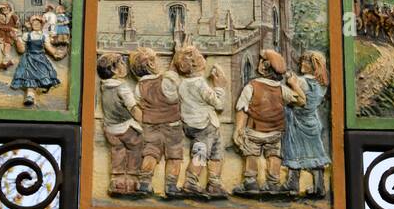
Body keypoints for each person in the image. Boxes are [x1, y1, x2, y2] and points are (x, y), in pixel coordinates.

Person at [232, 49, 306, 196]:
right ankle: (273, 183)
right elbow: (301, 100)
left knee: (251, 153)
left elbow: (242, 108)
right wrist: (294, 84)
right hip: (275, 132)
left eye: (260, 60)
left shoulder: (251, 86)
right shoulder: (281, 89)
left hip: (254, 131)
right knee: (274, 155)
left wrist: (239, 128)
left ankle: (250, 182)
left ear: (263, 66)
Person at [173, 46, 228, 200]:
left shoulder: (182, 84)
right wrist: (220, 87)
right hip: (206, 125)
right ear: (196, 64)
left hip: (192, 124)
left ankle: (214, 183)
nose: (204, 58)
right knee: (205, 153)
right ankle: (193, 182)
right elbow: (219, 104)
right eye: (201, 56)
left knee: (212, 152)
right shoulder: (200, 83)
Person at [129, 47, 183, 199]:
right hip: (172, 126)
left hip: (150, 127)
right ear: (152, 65)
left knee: (150, 153)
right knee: (174, 156)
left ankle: (145, 182)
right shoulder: (165, 81)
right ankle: (171, 186)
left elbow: (139, 104)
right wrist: (176, 56)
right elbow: (174, 93)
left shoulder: (139, 87)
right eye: (156, 59)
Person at [281, 51, 330, 198]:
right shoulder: (322, 84)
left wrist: (291, 83)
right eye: (302, 61)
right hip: (312, 121)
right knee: (315, 153)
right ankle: (319, 187)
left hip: (297, 121)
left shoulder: (301, 81)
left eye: (306, 62)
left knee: (295, 151)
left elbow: (294, 99)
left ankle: (292, 185)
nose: (302, 64)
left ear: (313, 66)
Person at [97, 51, 143, 196]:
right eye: (122, 63)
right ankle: (132, 179)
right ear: (113, 69)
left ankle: (116, 180)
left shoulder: (104, 86)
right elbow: (133, 108)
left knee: (118, 150)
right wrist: (143, 119)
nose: (124, 65)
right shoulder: (122, 87)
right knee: (136, 146)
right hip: (125, 127)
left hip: (110, 129)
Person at [10, 14, 62, 107]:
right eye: (33, 23)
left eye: (38, 23)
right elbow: (21, 50)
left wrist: (55, 53)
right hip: (29, 58)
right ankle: (30, 96)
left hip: (41, 59)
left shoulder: (44, 36)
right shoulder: (27, 35)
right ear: (31, 24)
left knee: (44, 75)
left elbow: (48, 47)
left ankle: (45, 86)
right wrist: (17, 39)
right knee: (29, 77)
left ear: (41, 24)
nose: (35, 24)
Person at [0, 3, 20, 68]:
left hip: (9, 34)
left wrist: (13, 29)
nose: (4, 10)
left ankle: (6, 60)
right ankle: (6, 61)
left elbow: (17, 26)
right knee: (1, 45)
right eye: (2, 9)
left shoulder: (13, 16)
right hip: (1, 34)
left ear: (9, 8)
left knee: (7, 44)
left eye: (5, 8)